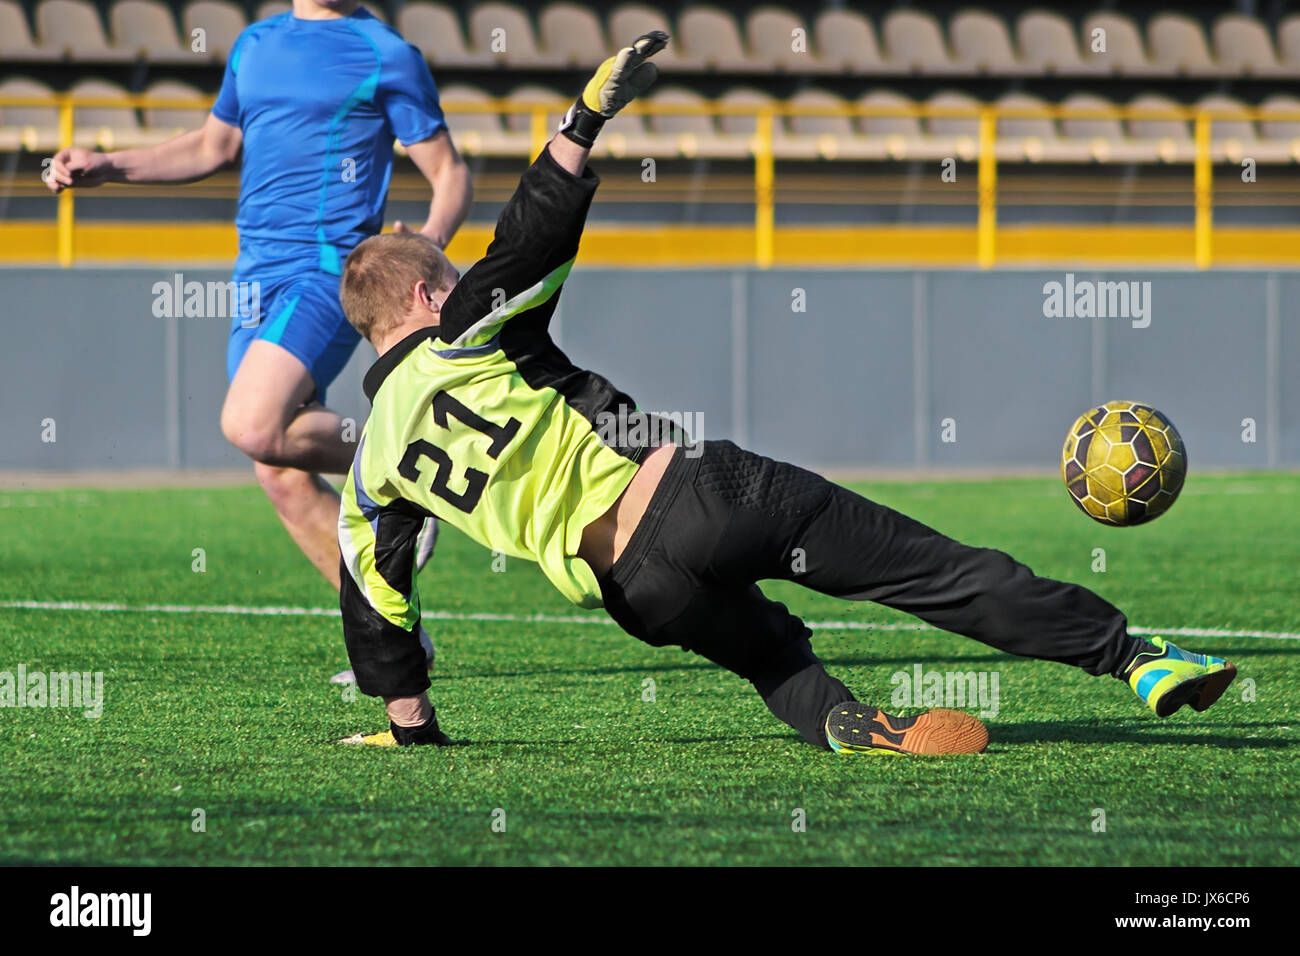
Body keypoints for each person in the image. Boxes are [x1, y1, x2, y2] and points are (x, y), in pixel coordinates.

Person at [334, 33, 1238, 753]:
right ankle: (1134, 659)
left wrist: (411, 725)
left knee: (770, 654)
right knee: (933, 572)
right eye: (446, 281)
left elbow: (377, 601)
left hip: (639, 591)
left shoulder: (374, 466)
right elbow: (527, 247)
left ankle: (843, 722)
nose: (458, 288)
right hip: (697, 495)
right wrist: (578, 123)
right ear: (425, 297)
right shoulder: (468, 332)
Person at [45, 0, 472, 679]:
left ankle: (412, 471)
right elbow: (213, 146)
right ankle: (393, 640)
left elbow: (450, 171)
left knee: (251, 423)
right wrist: (109, 164)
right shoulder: (255, 43)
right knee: (278, 468)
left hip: (328, 269)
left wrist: (426, 246)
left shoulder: (384, 51)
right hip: (254, 278)